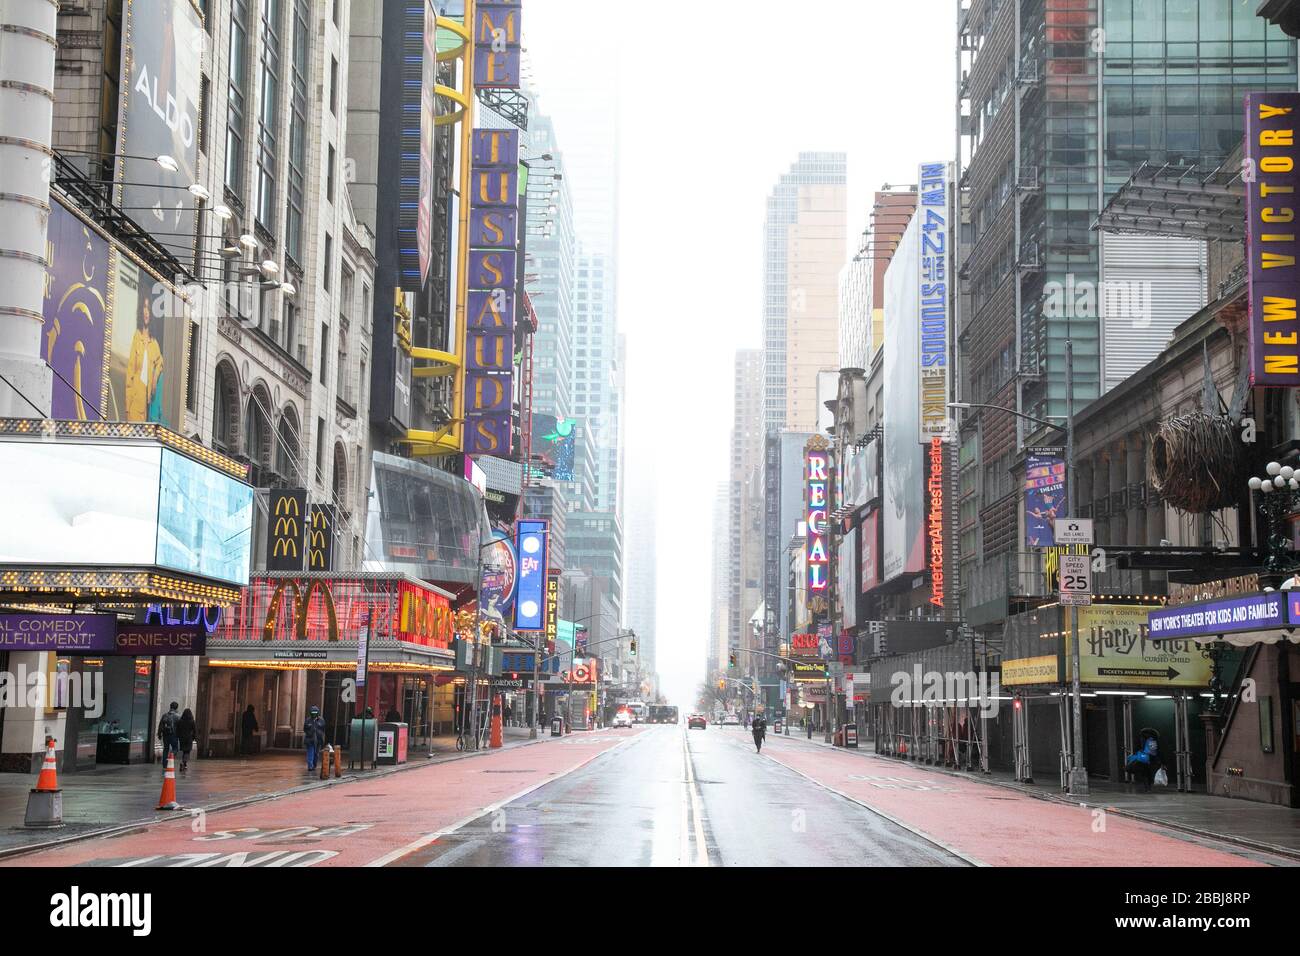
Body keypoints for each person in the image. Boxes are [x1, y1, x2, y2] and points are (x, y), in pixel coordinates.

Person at [125, 297, 164, 423]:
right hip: (136, 401)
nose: (146, 312)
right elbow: (130, 373)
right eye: (144, 307)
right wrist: (127, 408)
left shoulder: (154, 343)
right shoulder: (136, 338)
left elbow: (160, 363)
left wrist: (154, 379)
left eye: (149, 308)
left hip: (147, 404)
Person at [1125, 727, 1163, 792]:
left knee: (1144, 773)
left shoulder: (1141, 738)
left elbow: (1137, 747)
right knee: (1148, 773)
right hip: (1151, 759)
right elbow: (1155, 750)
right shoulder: (1153, 739)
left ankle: (1147, 787)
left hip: (1142, 757)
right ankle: (1148, 787)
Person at [157, 701, 181, 769]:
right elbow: (180, 727)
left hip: (165, 735)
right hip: (174, 735)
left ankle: (164, 764)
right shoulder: (178, 716)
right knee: (175, 748)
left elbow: (160, 726)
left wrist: (159, 734)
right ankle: (170, 758)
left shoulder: (165, 715)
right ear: (176, 708)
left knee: (165, 749)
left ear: (170, 707)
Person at [303, 706, 326, 772]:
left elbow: (323, 729)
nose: (314, 714)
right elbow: (305, 729)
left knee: (316, 753)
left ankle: (314, 764)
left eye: (315, 713)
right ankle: (310, 766)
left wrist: (320, 735)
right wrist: (310, 732)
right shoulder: (308, 720)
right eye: (312, 713)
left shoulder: (321, 720)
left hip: (318, 740)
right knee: (310, 752)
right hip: (310, 739)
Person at [177, 707, 197, 773]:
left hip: (182, 738)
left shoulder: (180, 721)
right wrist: (194, 738)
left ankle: (184, 763)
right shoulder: (192, 721)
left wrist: (178, 736)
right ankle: (184, 763)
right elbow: (194, 731)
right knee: (187, 751)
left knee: (184, 751)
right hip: (189, 738)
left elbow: (178, 729)